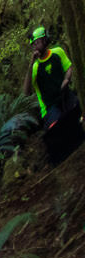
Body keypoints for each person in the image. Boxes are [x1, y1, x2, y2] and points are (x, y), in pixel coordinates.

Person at [24, 26, 83, 165]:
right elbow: (26, 92)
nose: (35, 46)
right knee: (55, 132)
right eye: (33, 44)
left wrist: (66, 80)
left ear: (45, 40)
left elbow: (69, 68)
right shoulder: (35, 68)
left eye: (37, 42)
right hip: (50, 107)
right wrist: (31, 63)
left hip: (66, 96)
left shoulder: (57, 52)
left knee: (78, 111)